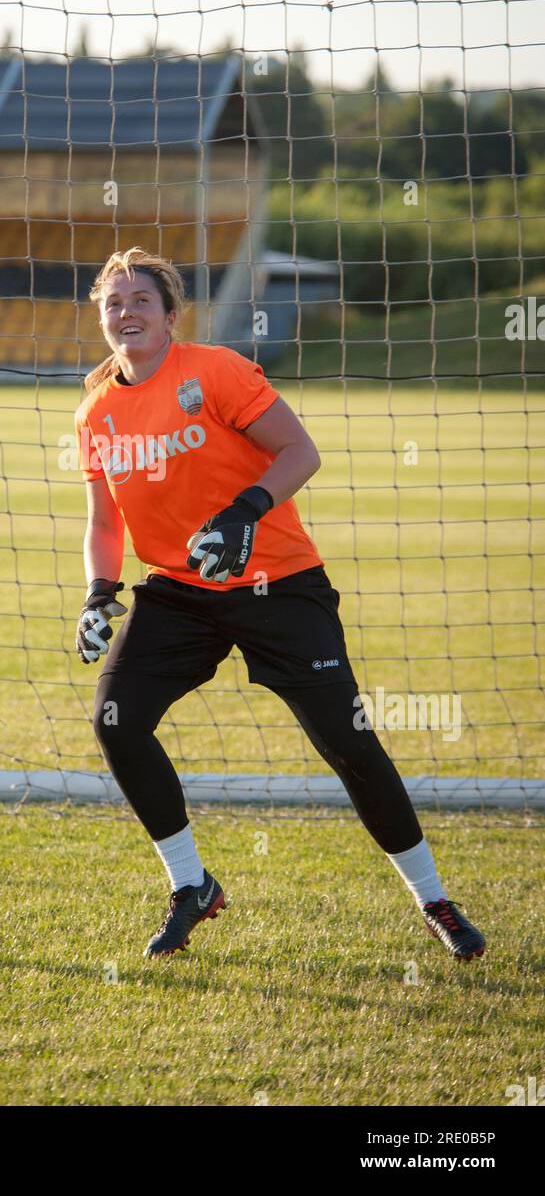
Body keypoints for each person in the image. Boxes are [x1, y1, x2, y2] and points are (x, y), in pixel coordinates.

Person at [73, 246, 486, 962]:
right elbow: (105, 523)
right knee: (117, 721)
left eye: (141, 299)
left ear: (171, 315)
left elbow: (299, 451)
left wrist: (246, 509)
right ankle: (191, 886)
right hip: (179, 590)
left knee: (347, 743)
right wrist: (98, 595)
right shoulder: (96, 412)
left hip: (279, 582)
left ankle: (434, 901)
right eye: (113, 302)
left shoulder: (216, 371)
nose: (125, 311)